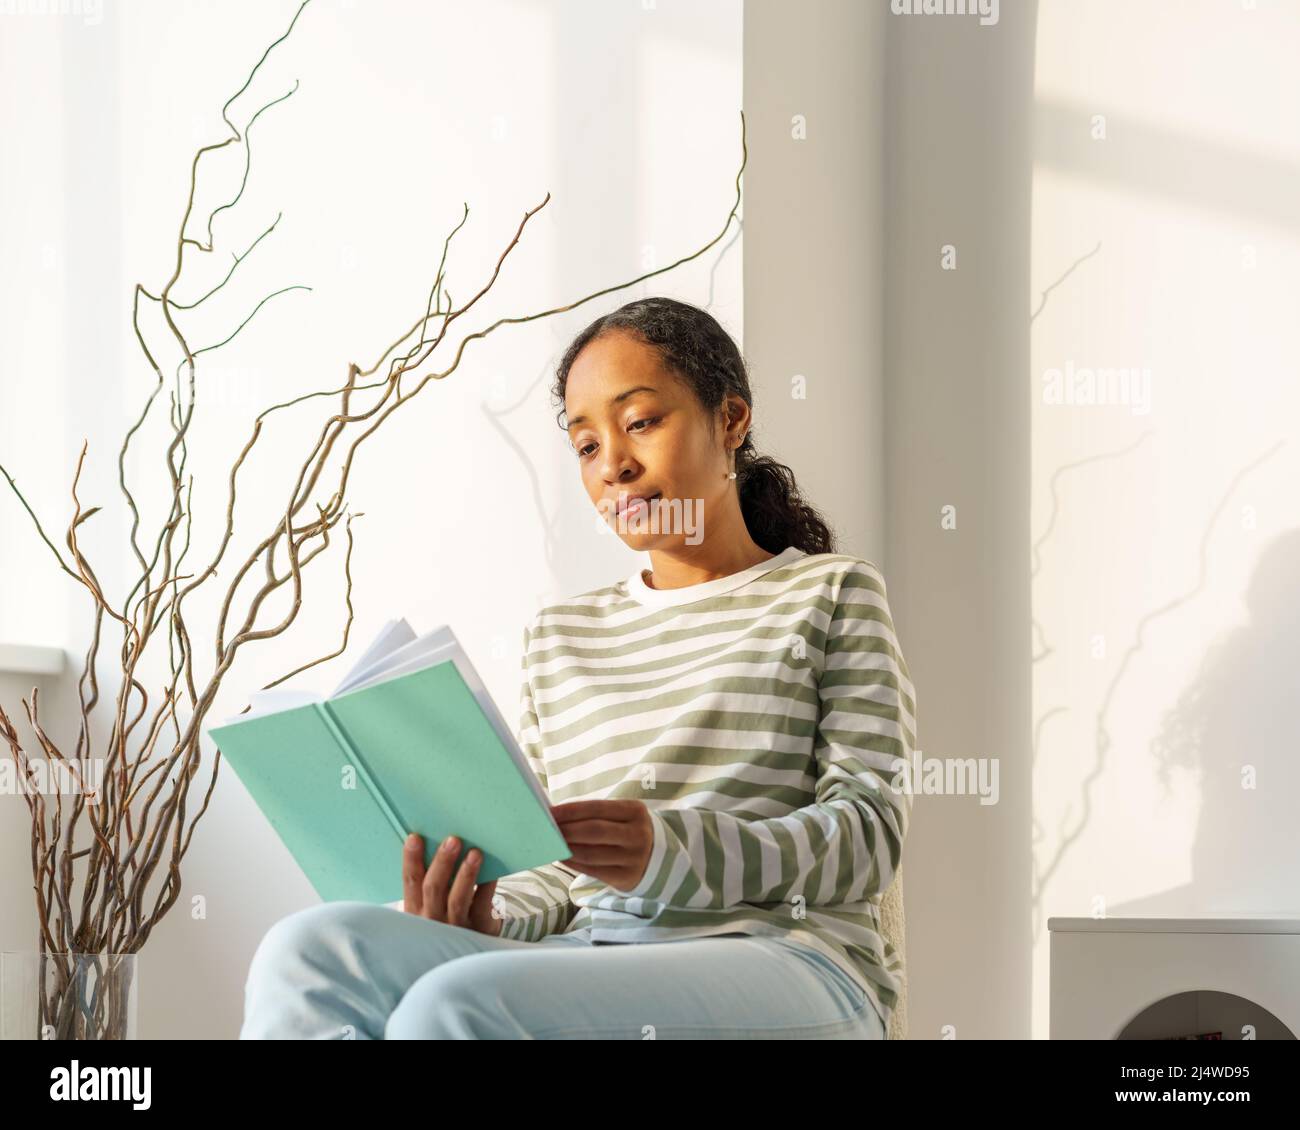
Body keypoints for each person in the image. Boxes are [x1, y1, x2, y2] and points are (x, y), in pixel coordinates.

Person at [239, 296, 917, 1039]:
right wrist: (491, 914)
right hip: (597, 951)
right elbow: (556, 873)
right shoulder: (561, 636)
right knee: (305, 952)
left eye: (641, 422)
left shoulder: (831, 592)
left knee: (455, 1004)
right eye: (587, 446)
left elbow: (868, 834)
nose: (614, 465)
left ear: (730, 420)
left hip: (788, 959)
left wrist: (669, 851)